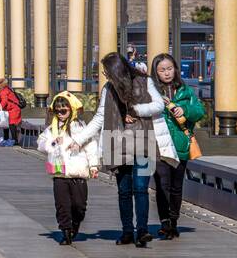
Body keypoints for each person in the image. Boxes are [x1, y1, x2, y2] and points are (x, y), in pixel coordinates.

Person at [73, 53, 176, 247]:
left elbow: (158, 105)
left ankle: (143, 230)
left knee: (140, 188)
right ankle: (127, 230)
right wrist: (79, 139)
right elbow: (99, 117)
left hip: (143, 141)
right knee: (124, 190)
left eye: (106, 71)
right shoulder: (108, 89)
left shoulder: (144, 82)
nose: (105, 75)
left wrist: (136, 110)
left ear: (116, 70)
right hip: (117, 142)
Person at [149, 53, 204, 240]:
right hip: (160, 146)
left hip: (180, 144)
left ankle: (174, 221)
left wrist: (185, 110)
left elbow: (199, 111)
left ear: (176, 69)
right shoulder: (152, 92)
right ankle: (164, 222)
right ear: (156, 72)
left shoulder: (185, 91)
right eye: (162, 70)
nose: (167, 73)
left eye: (170, 68)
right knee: (162, 184)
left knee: (176, 186)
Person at [37, 92, 99, 245]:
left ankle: (75, 223)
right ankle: (65, 231)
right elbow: (40, 143)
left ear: (71, 110)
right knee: (62, 204)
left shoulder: (81, 127)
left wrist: (94, 166)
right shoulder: (51, 129)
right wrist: (52, 143)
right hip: (59, 173)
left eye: (64, 110)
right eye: (58, 110)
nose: (60, 113)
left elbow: (91, 147)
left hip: (78, 172)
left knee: (79, 206)